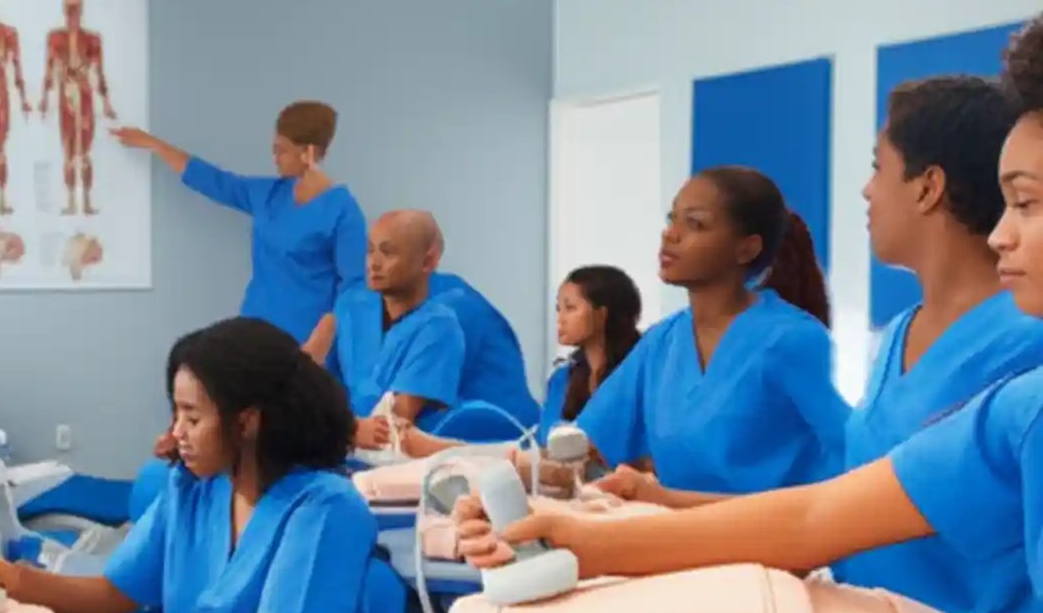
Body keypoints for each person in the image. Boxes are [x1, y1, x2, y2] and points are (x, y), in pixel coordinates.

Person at [454, 15, 1043, 613]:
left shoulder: (1005, 351)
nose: (1001, 234)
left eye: (1024, 203)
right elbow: (820, 514)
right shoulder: (995, 391)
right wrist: (586, 533)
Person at [595, 76, 1043, 613]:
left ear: (928, 187)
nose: (864, 190)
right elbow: (831, 512)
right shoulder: (902, 335)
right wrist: (659, 507)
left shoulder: (1022, 350)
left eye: (878, 167)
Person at [0, 317, 383, 613]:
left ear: (247, 422)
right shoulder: (194, 489)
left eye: (192, 418)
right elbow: (111, 598)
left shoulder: (327, 509)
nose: (176, 432)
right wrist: (13, 581)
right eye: (176, 415)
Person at [555, 167, 849, 497]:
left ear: (746, 249)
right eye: (672, 219)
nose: (670, 234)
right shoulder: (661, 343)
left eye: (695, 224)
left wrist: (659, 498)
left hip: (769, 543)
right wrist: (514, 466)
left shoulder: (790, 340)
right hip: (681, 539)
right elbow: (586, 443)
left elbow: (855, 462)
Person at [110, 101, 367, 343]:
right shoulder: (269, 194)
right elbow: (215, 181)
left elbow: (354, 288)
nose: (274, 156)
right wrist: (154, 144)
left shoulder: (342, 210)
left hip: (308, 339)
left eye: (282, 149)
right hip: (255, 330)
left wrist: (323, 340)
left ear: (308, 152)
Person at [405, 265, 643, 476]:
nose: (560, 319)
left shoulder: (636, 376)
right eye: (558, 309)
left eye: (570, 308)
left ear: (601, 315)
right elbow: (541, 454)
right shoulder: (562, 380)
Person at [326, 209, 466, 450]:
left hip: (394, 461)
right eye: (370, 250)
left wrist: (345, 431)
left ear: (428, 262)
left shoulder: (439, 328)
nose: (374, 263)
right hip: (336, 448)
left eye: (388, 252)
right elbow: (314, 380)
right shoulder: (351, 306)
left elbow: (392, 425)